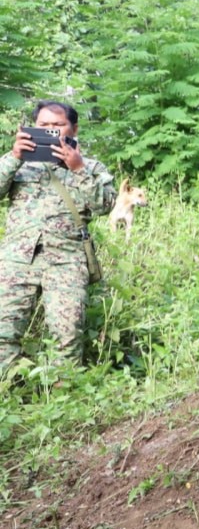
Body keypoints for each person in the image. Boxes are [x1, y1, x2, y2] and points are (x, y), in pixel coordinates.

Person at [0, 100, 116, 370]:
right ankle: (9, 392)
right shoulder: (19, 164)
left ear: (73, 129)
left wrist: (78, 170)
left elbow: (106, 205)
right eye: (43, 125)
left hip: (67, 260)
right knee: (3, 331)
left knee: (67, 333)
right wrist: (14, 157)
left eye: (58, 125)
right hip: (17, 260)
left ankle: (64, 394)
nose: (51, 130)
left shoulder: (91, 166)